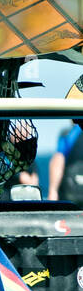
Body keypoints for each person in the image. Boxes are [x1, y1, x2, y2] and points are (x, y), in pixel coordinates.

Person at [48, 75, 83, 204]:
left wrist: (52, 191)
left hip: (71, 198)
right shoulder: (71, 133)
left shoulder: (70, 134)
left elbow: (58, 159)